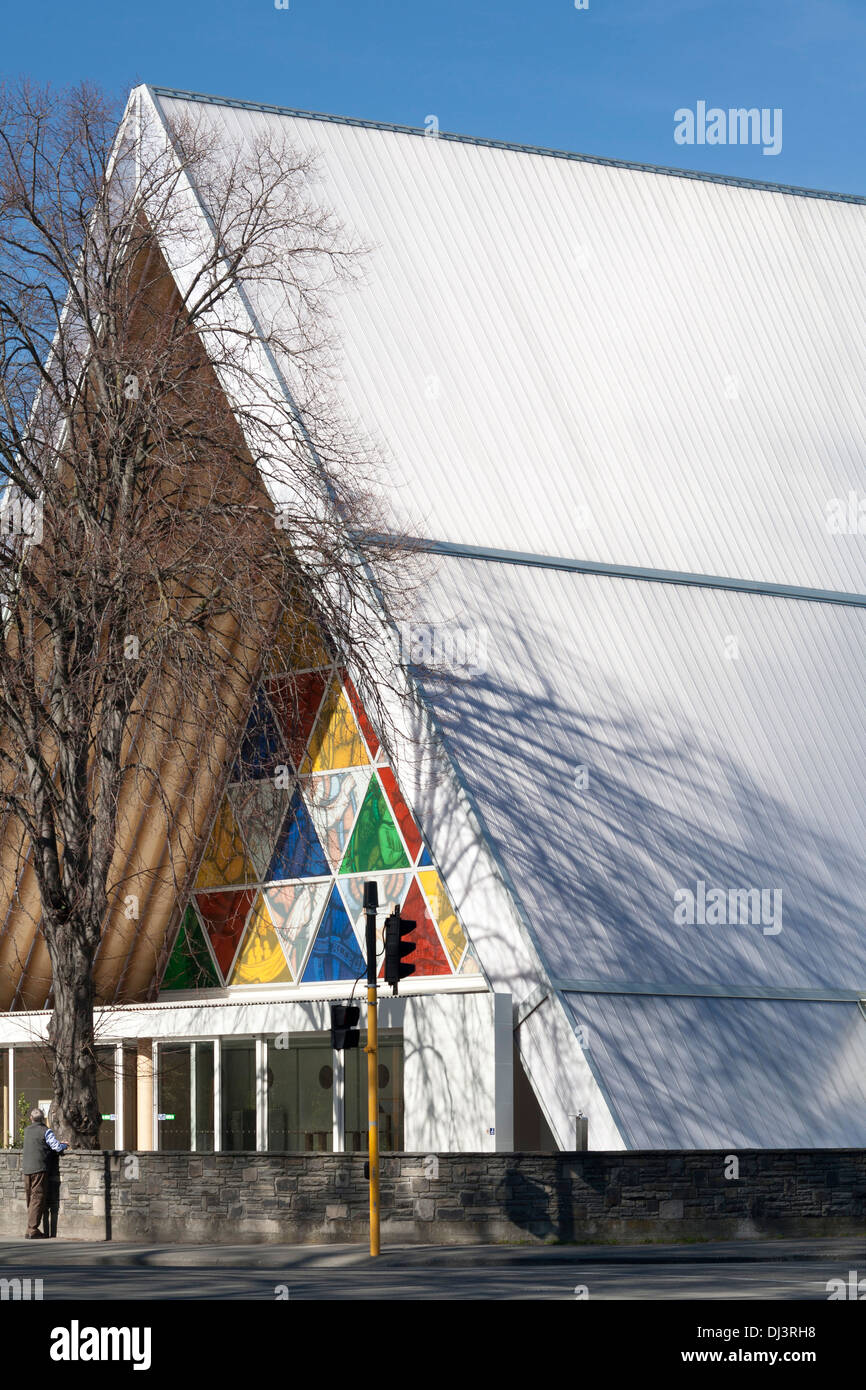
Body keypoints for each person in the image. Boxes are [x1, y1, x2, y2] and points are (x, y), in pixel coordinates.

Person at [22, 1107, 69, 1239]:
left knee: (30, 1198)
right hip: (39, 1168)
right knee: (37, 1199)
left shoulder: (26, 1131)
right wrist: (64, 1145)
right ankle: (32, 1230)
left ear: (31, 1118)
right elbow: (56, 1147)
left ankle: (29, 1228)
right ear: (43, 1119)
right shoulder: (46, 1131)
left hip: (26, 1169)